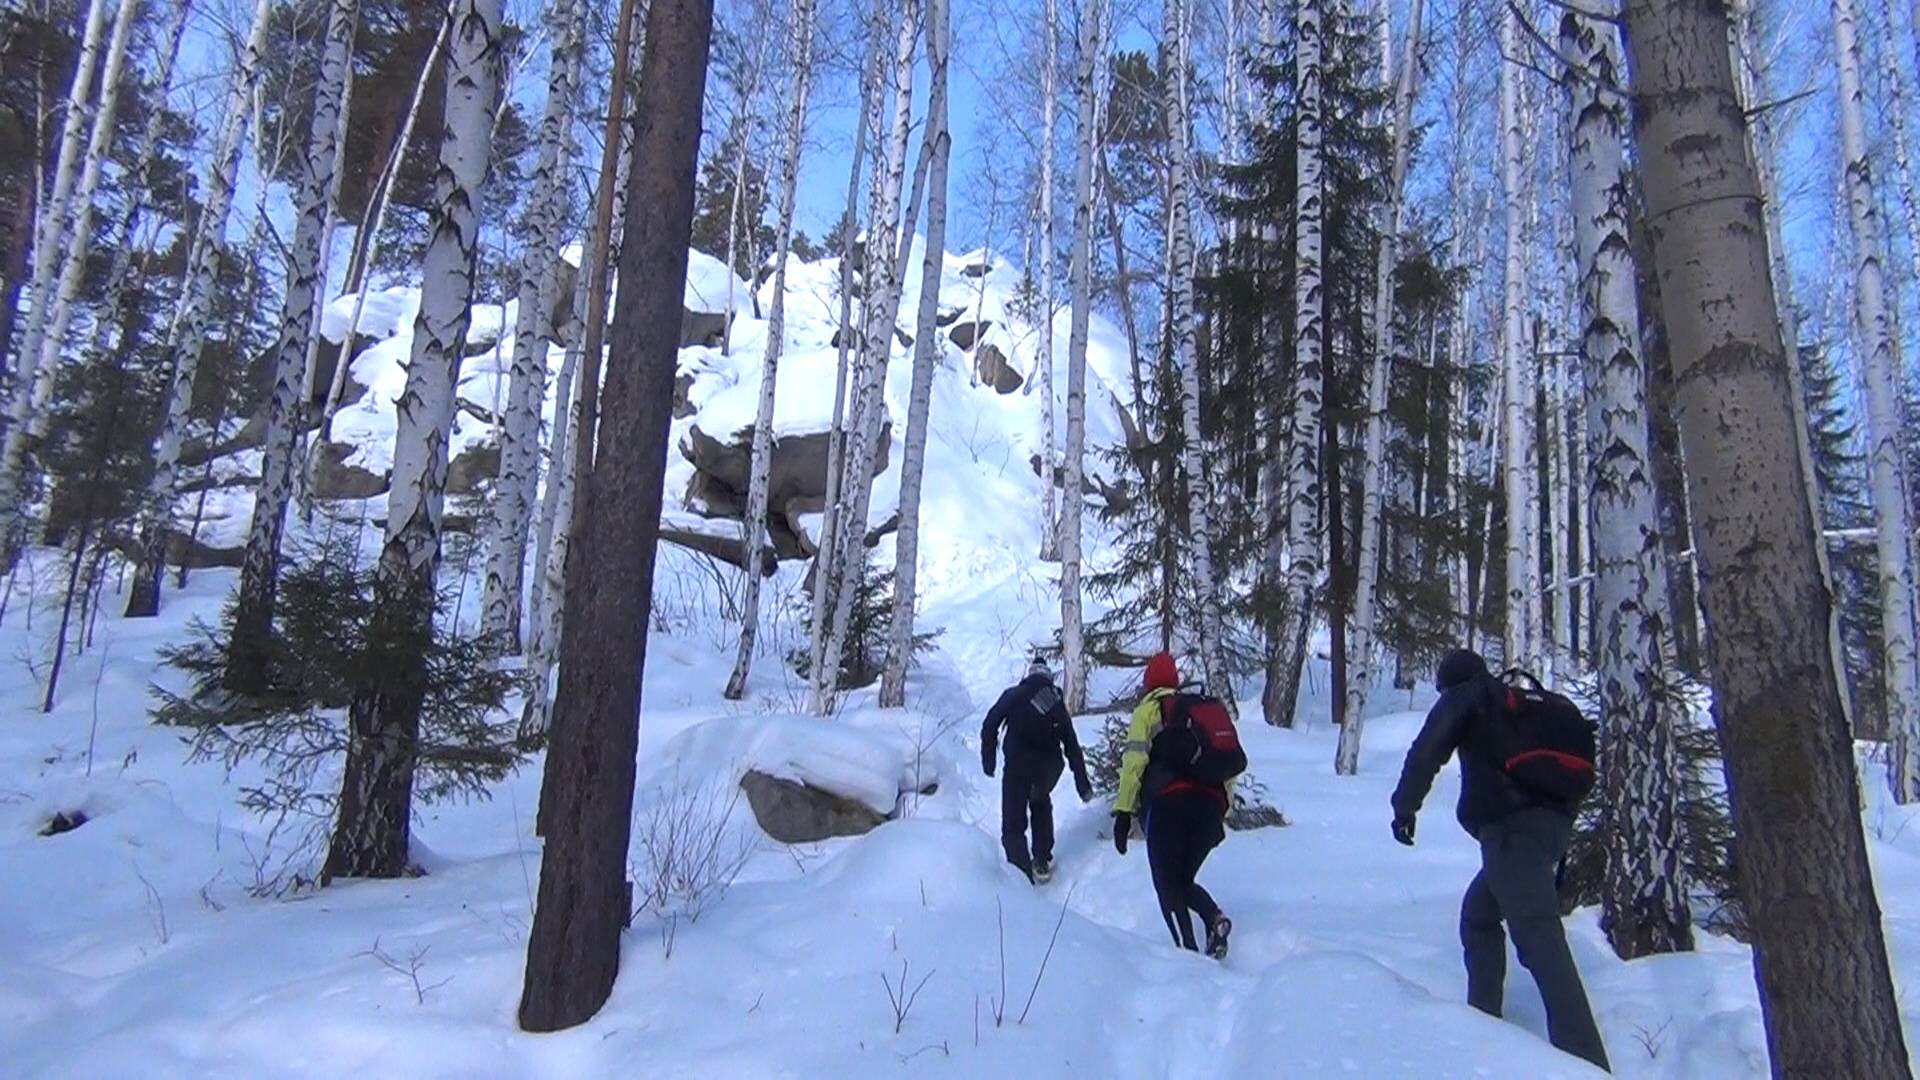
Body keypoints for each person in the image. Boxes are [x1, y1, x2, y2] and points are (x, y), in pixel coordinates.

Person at [1390, 648, 1611, 1072]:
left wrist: (1404, 807)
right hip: (1551, 832)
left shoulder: (1469, 696)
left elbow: (1427, 750)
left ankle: (1589, 1064)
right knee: (1479, 914)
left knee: (1541, 944)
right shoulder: (1519, 705)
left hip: (1512, 834)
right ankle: (1483, 1021)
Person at [1112, 651, 1233, 959]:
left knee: (1167, 885)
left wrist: (1124, 812)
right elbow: (1226, 765)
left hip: (1169, 806)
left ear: (1148, 682)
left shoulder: (1149, 710)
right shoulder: (1200, 712)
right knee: (1182, 881)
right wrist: (1222, 812)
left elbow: (1134, 762)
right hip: (1209, 808)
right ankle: (1214, 920)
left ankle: (1187, 957)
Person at [982, 658, 1093, 883]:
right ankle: (1041, 859)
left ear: (1029, 675)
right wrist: (1083, 785)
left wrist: (989, 761)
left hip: (1017, 766)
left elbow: (990, 724)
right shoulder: (1054, 700)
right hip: (1047, 769)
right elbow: (1071, 743)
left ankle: (1020, 874)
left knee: (1013, 824)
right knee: (1041, 802)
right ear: (1047, 677)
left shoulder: (1013, 694)